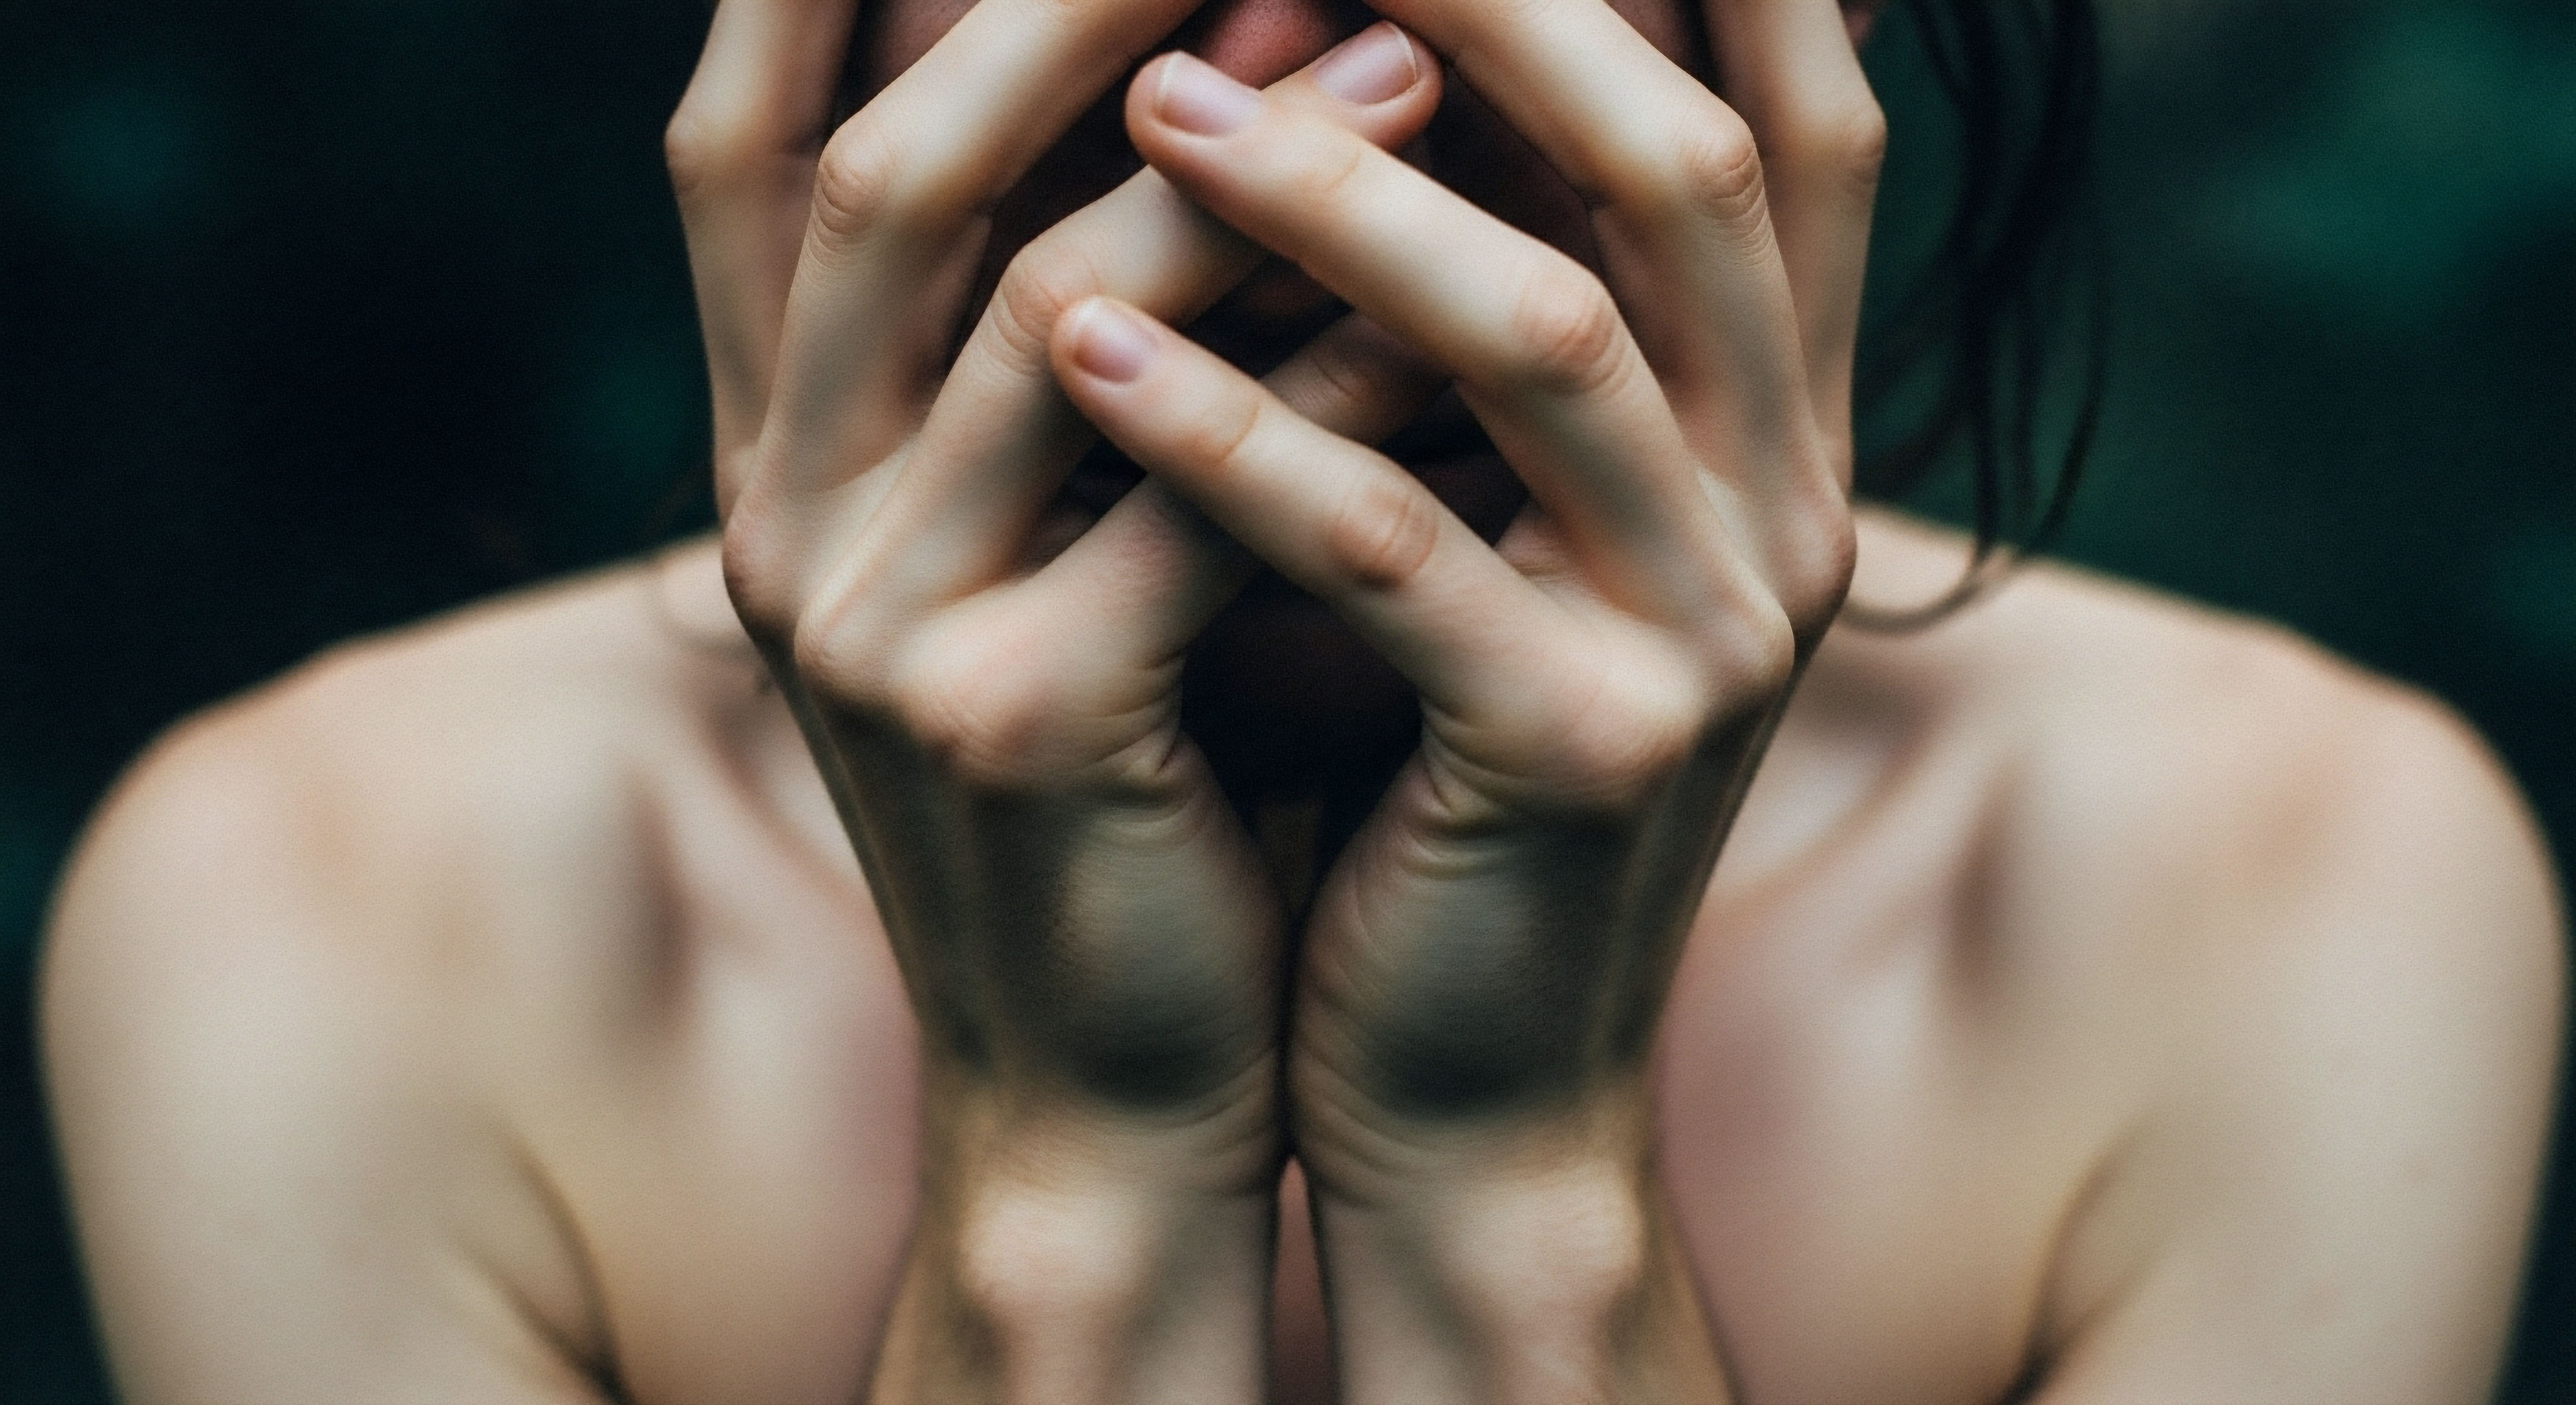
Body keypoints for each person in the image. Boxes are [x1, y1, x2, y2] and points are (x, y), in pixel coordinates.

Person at [37, 0, 2564, 1399]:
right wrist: (1074, 1199)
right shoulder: (324, 908)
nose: (1304, 82)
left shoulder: (2282, 880)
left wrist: (1517, 1207)